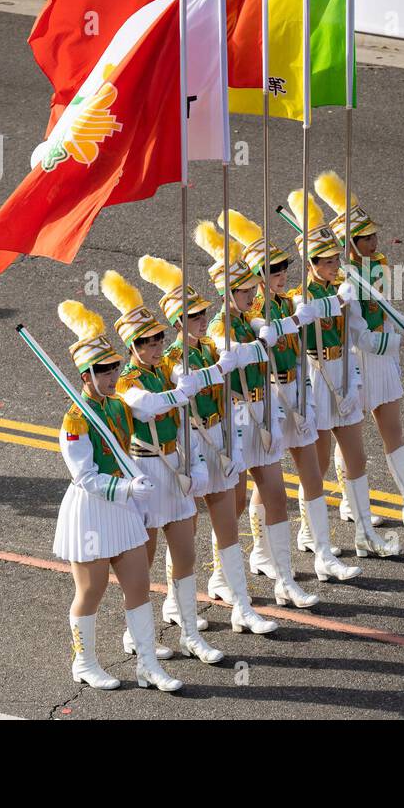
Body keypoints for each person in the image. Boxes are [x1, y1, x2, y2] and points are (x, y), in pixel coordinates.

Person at [137, 254, 279, 635]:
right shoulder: (172, 358)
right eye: (194, 316)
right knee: (183, 529)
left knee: (227, 523)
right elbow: (186, 381)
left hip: (218, 440)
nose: (203, 319)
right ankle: (174, 601)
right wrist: (218, 368)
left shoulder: (207, 347)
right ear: (178, 322)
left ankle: (239, 606)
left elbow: (229, 390)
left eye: (203, 313)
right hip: (187, 451)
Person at [220, 208, 362, 583]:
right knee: (260, 485)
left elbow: (299, 350)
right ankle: (261, 553)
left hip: (295, 390)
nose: (281, 276)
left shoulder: (286, 302)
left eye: (283, 268)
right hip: (263, 399)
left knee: (311, 474)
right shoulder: (247, 316)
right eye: (272, 272)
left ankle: (323, 553)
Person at [52, 300, 182, 692]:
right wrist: (127, 487)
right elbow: (86, 476)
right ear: (86, 376)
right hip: (92, 510)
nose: (113, 376)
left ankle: (146, 665)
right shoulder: (75, 420)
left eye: (115, 369)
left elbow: (146, 417)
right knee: (91, 590)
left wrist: (177, 391)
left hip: (123, 507)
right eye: (105, 372)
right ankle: (84, 662)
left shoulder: (117, 406)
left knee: (139, 586)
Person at [100, 270, 225, 665]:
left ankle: (190, 633)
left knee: (186, 553)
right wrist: (178, 393)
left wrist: (199, 465)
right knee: (144, 559)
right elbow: (145, 406)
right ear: (131, 347)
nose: (156, 346)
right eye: (146, 342)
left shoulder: (162, 369)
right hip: (146, 472)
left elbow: (186, 393)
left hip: (175, 465)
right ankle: (135, 635)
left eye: (158, 339)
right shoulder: (128, 380)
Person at [195, 221, 320, 608]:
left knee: (276, 495)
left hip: (261, 413)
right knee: (228, 508)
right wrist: (253, 347)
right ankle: (220, 576)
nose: (253, 296)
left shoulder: (252, 318)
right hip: (233, 421)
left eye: (253, 290)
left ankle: (284, 578)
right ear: (228, 293)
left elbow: (266, 331)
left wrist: (271, 327)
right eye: (246, 291)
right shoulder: (217, 326)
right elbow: (226, 351)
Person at [314, 172, 404, 530]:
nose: (373, 242)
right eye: (365, 238)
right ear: (348, 244)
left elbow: (385, 310)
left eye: (373, 236)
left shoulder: (377, 265)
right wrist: (398, 341)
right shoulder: (343, 282)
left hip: (383, 358)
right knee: (349, 435)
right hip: (357, 361)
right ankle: (350, 504)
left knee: (393, 431)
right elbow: (360, 336)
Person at [287, 189, 399, 558]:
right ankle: (310, 532)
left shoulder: (343, 289)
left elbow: (357, 335)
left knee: (357, 457)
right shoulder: (298, 296)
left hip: (343, 370)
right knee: (316, 464)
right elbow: (306, 316)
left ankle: (365, 532)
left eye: (337, 258)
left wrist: (389, 341)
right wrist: (337, 299)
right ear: (312, 264)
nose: (335, 265)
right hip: (316, 375)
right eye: (328, 261)